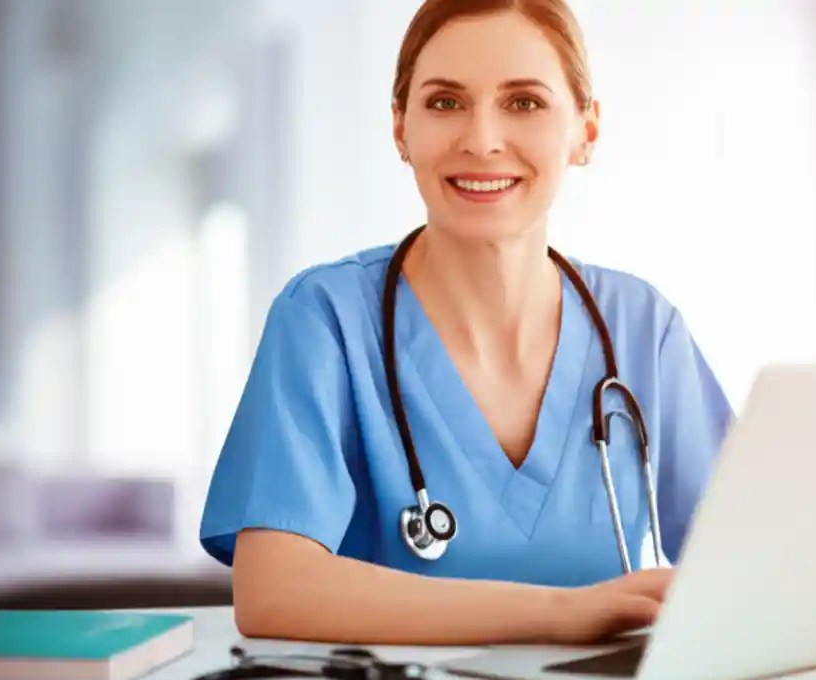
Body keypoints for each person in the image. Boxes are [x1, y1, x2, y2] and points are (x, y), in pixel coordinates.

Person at [199, 0, 732, 647]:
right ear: (400, 128)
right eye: (445, 102)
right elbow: (274, 591)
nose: (481, 140)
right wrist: (561, 613)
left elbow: (752, 565)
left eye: (525, 102)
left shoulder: (643, 329)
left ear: (585, 131)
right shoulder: (325, 320)